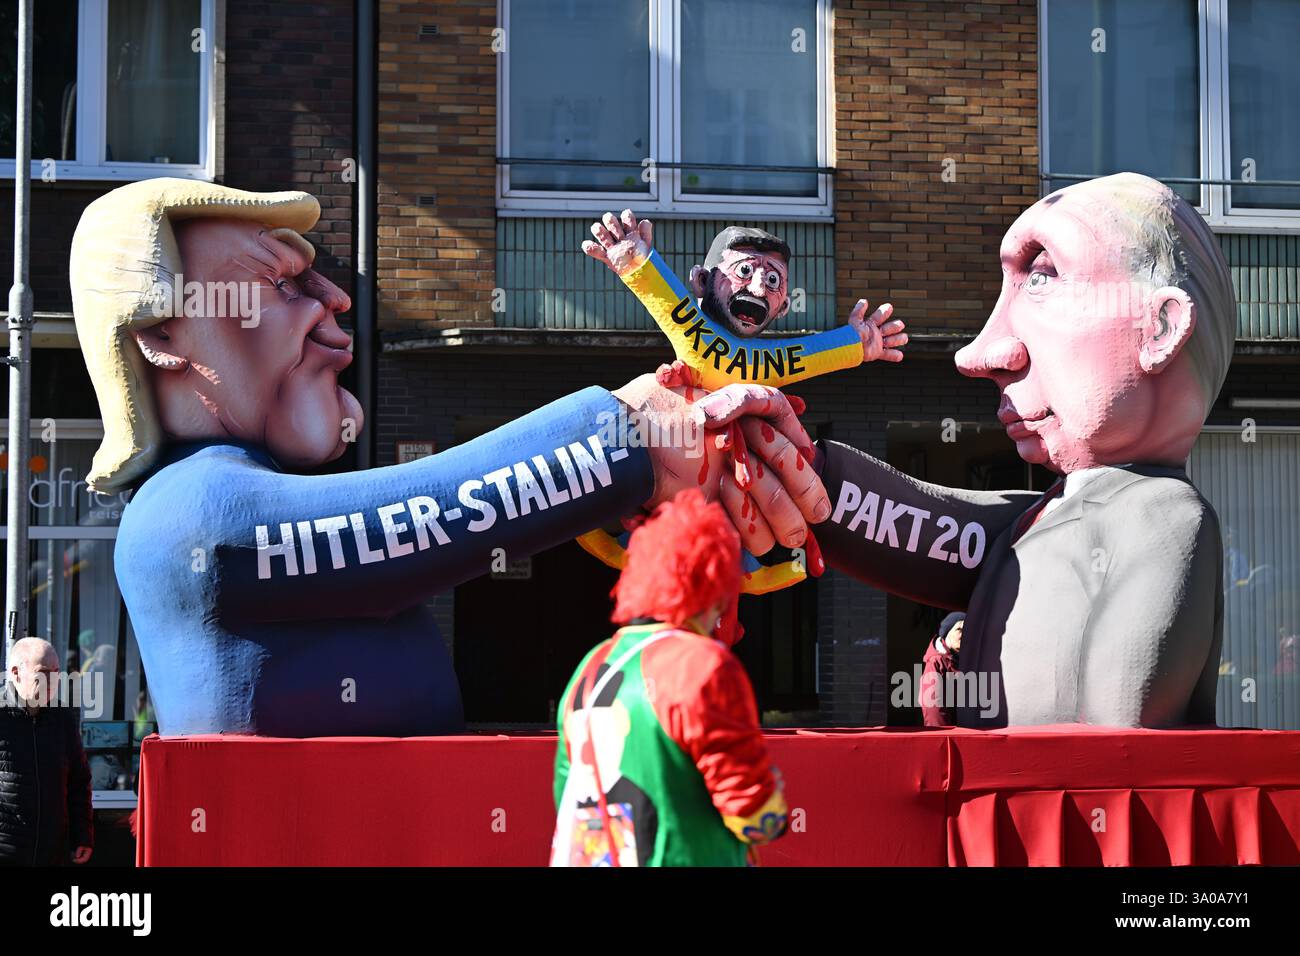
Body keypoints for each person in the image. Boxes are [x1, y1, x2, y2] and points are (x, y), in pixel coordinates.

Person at [71, 179, 829, 737]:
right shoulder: (185, 520)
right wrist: (629, 435)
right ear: (162, 334)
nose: (334, 302)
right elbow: (425, 516)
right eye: (278, 284)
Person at [699, 172, 1236, 729]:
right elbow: (911, 520)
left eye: (1043, 277)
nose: (979, 355)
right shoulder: (1032, 520)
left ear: (1160, 329)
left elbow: (1107, 764)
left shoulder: (1162, 519)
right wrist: (785, 456)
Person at [551, 489, 787, 866]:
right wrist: (773, 806)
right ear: (714, 585)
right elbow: (751, 813)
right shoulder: (702, 663)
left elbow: (565, 791)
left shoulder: (592, 665)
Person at [0, 639, 94, 866]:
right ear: (16, 673)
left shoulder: (62, 718)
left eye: (56, 672)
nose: (52, 680)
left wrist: (82, 835)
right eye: (43, 672)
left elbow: (79, 782)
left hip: (52, 853)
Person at [920, 613, 964, 727]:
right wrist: (943, 737)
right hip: (951, 737)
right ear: (947, 633)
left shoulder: (963, 658)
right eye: (959, 629)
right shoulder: (936, 662)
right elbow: (933, 708)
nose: (965, 634)